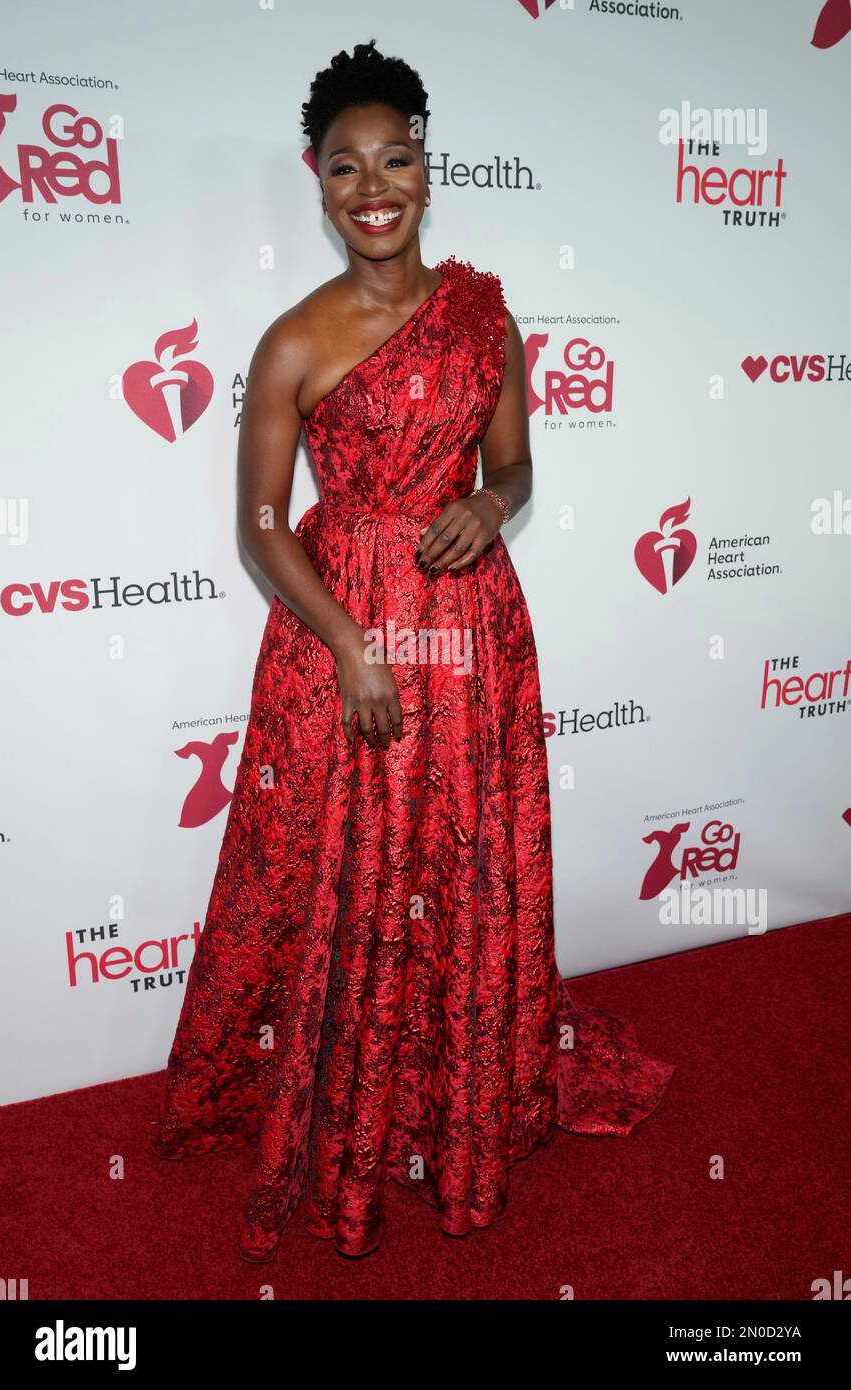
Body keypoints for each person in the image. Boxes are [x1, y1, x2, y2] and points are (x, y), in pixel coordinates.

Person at [152, 38, 675, 1263]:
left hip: (468, 623)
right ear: (317, 180)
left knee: (461, 856)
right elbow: (263, 524)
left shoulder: (485, 316)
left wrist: (491, 507)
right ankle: (339, 1101)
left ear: (426, 171)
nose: (371, 186)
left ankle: (454, 1093)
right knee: (330, 868)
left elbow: (515, 463)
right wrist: (345, 643)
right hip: (344, 633)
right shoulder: (291, 340)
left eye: (394, 160)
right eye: (345, 166)